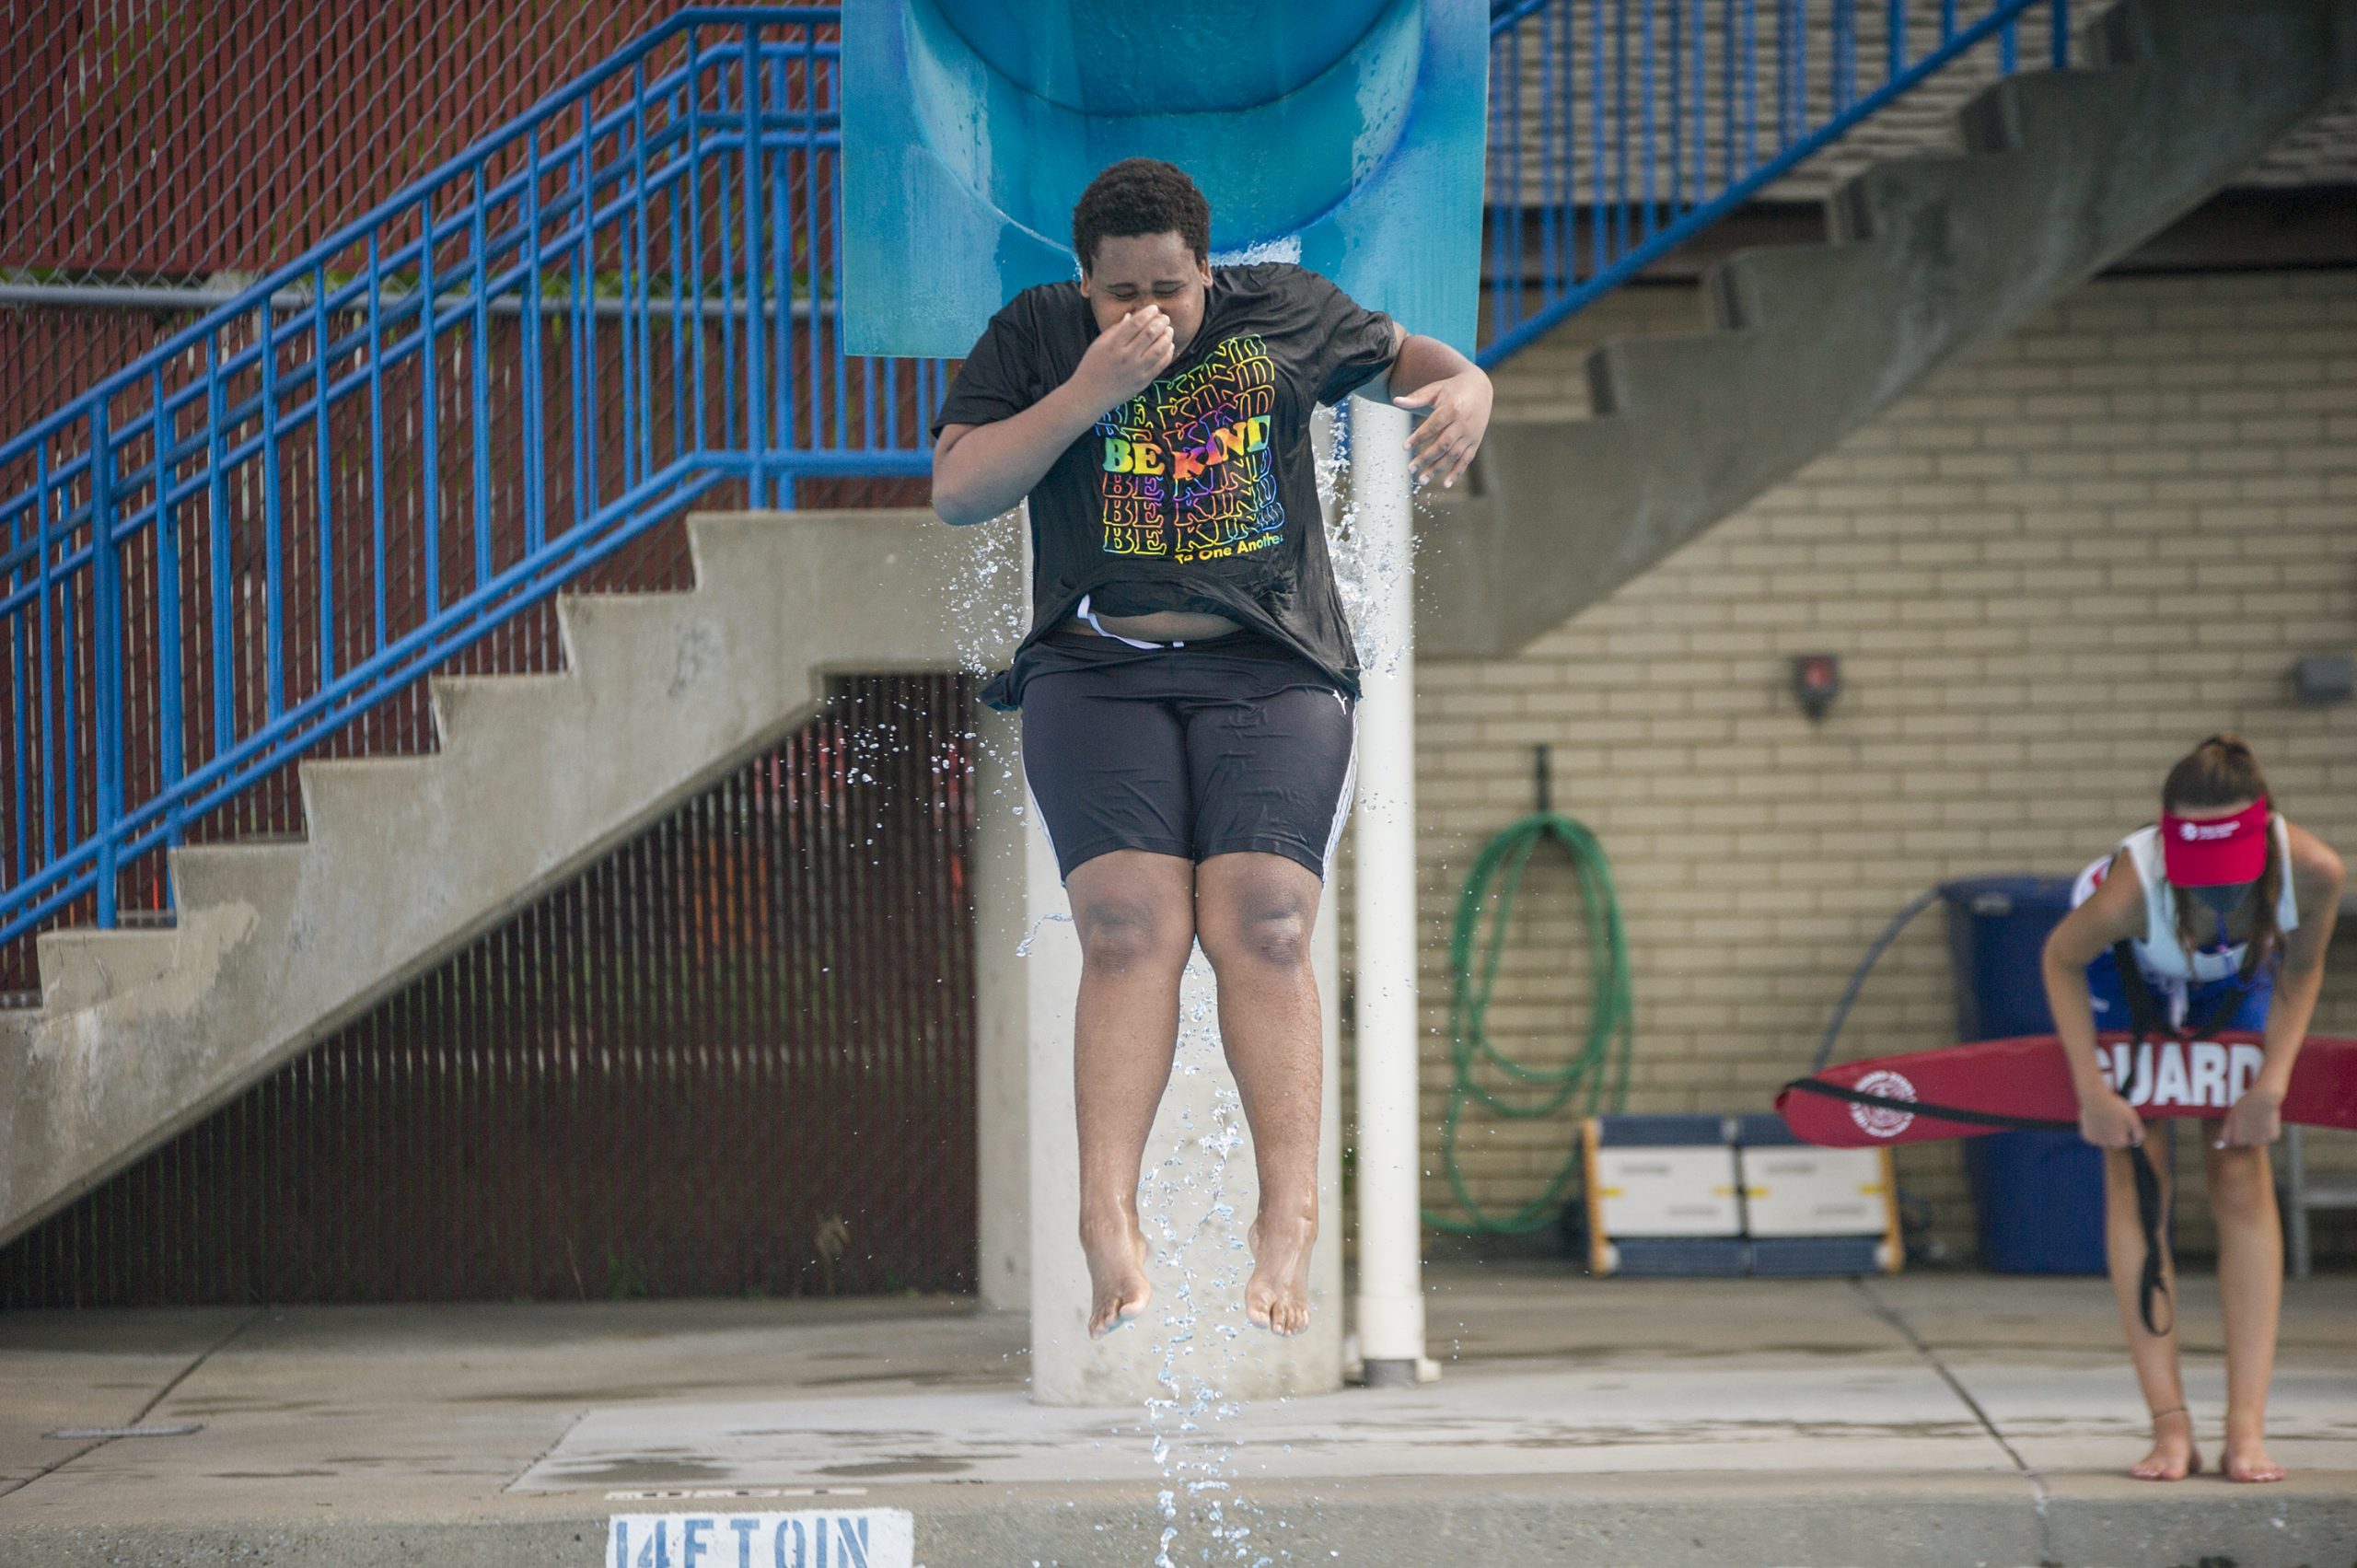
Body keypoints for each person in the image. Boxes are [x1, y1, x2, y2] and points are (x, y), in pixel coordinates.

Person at [929, 158, 1492, 1339]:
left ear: (1206, 264)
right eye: (1117, 291)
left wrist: (1471, 384)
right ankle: (1105, 1218)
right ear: (1080, 282)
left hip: (1269, 663)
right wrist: (1085, 390)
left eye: (1170, 289)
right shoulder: (1036, 333)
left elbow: (1413, 361)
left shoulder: (1283, 313)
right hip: (1098, 666)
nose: (1146, 313)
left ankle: (1285, 1216)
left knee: (1267, 922)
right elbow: (961, 490)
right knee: (1129, 926)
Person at [2042, 734, 2343, 1482]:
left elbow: (2303, 969)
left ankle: (2246, 1428)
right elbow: (2060, 958)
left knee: (2240, 1169)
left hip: (2232, 985)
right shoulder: (2131, 884)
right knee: (2138, 1179)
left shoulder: (2313, 869)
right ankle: (2170, 1427)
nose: (2212, 889)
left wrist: (2272, 1081)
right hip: (2127, 977)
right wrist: (2092, 1091)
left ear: (2266, 826)